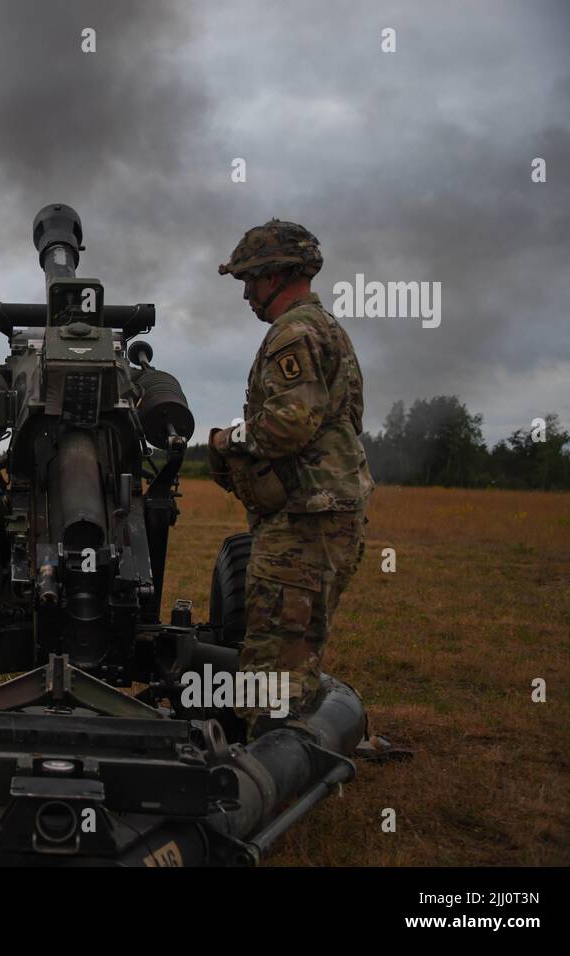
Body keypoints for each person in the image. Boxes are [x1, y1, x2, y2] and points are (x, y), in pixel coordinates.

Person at [209, 219, 374, 738]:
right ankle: (299, 745)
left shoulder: (293, 333)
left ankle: (261, 778)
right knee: (299, 651)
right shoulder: (328, 329)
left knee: (269, 666)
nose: (245, 294)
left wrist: (228, 442)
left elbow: (291, 421)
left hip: (304, 520)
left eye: (249, 280)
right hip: (332, 513)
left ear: (275, 276)